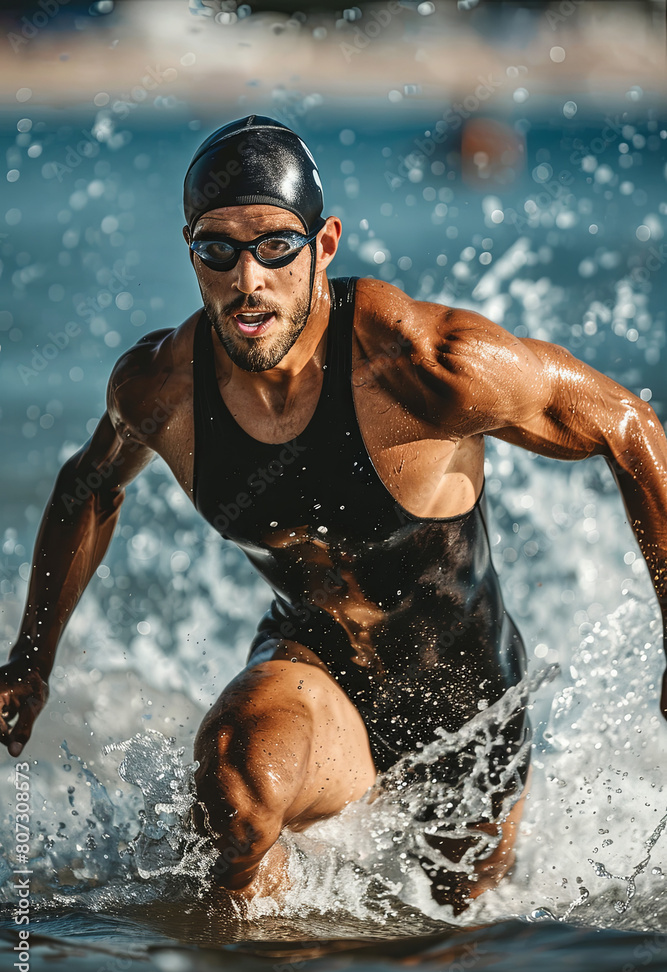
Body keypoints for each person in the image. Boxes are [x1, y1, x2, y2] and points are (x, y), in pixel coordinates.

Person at [1, 116, 666, 914]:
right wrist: (30, 663)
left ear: (323, 246)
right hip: (314, 670)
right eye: (218, 249)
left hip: (466, 716)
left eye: (275, 246)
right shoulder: (161, 387)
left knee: (449, 936)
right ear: (192, 251)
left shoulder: (425, 365)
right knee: (234, 793)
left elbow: (628, 430)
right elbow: (89, 488)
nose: (248, 280)